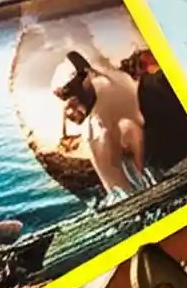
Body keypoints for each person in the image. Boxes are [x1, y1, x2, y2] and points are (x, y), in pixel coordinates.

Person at [52, 51, 146, 197]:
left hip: (105, 117)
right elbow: (71, 112)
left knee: (123, 161)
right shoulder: (76, 95)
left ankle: (134, 186)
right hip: (101, 121)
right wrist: (64, 133)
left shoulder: (84, 85)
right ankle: (131, 188)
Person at [120, 49, 187, 174]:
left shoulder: (144, 88)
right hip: (185, 138)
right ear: (145, 59)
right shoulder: (156, 81)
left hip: (172, 150)